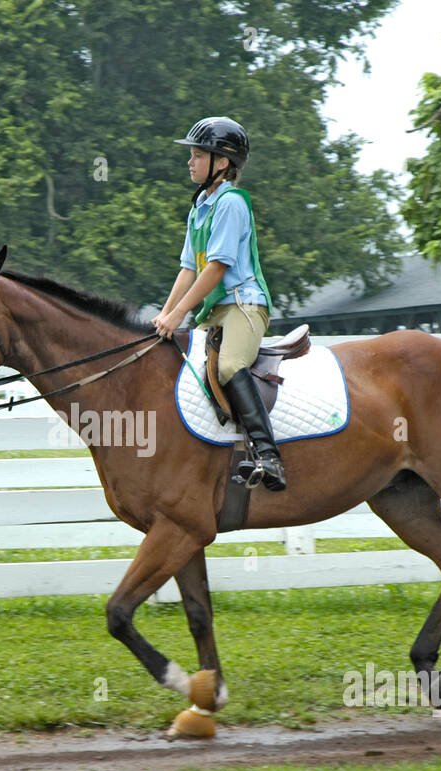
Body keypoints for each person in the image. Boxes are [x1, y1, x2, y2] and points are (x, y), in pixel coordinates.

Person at [151, 116, 284, 491]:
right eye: (191, 155)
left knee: (228, 365)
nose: (189, 162)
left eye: (197, 155)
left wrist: (179, 314)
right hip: (215, 312)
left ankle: (269, 456)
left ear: (221, 162)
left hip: (244, 306)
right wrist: (164, 314)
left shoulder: (231, 204)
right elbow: (188, 270)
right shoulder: (200, 207)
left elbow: (216, 269)